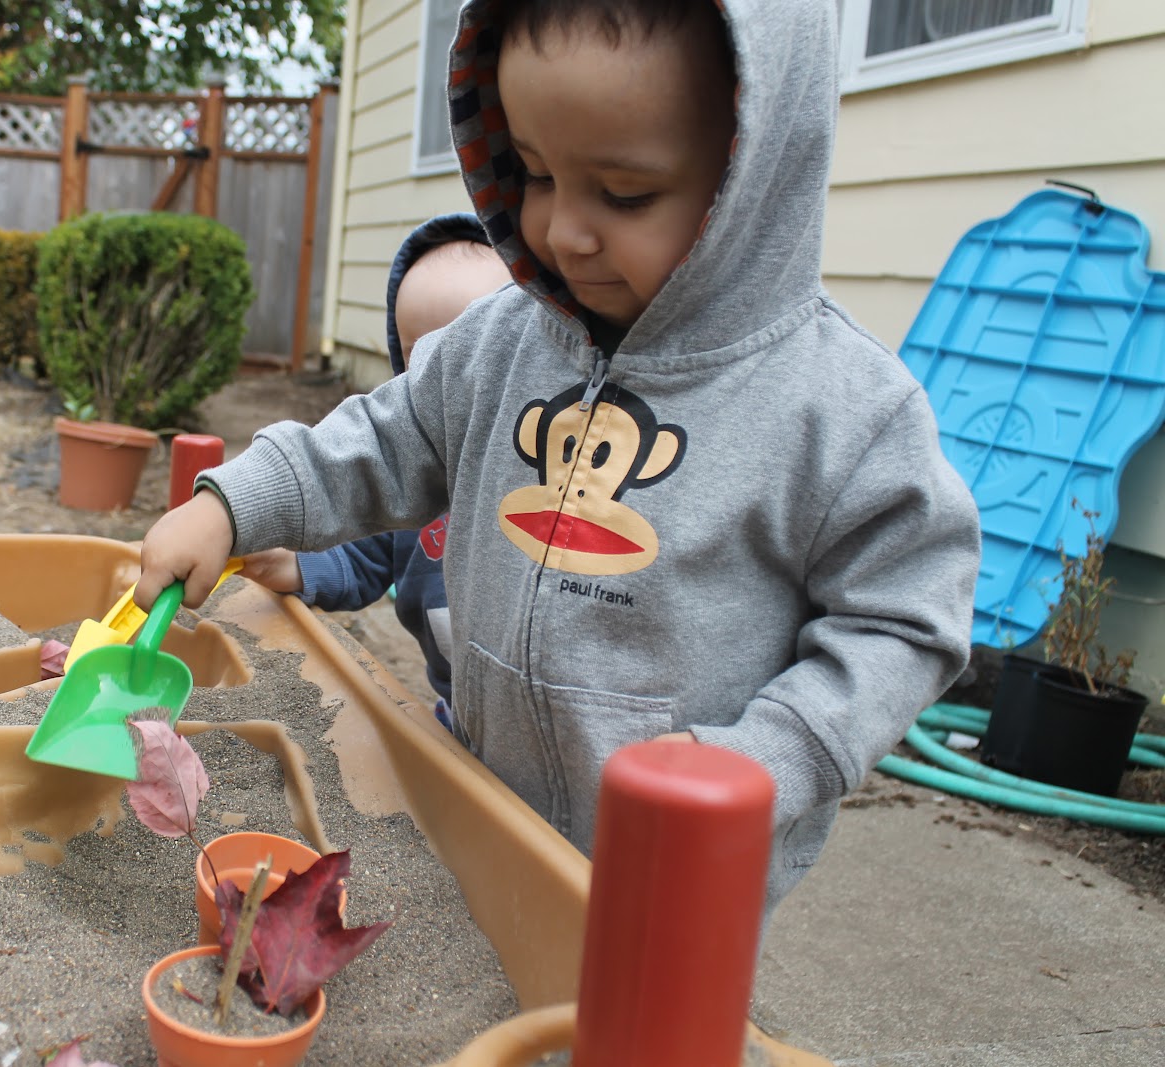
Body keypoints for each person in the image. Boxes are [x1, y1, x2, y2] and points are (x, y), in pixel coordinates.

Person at [136, 0, 980, 917]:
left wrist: (765, 758)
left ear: (755, 178)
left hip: (679, 872)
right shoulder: (502, 341)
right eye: (534, 173)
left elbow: (905, 619)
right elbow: (380, 437)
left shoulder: (840, 406)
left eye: (623, 194)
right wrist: (235, 503)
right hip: (492, 804)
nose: (563, 232)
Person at [239, 215, 512, 726]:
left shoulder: (547, 485)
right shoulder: (407, 481)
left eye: (467, 365)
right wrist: (294, 567)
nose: (444, 390)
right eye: (419, 369)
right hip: (463, 724)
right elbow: (362, 556)